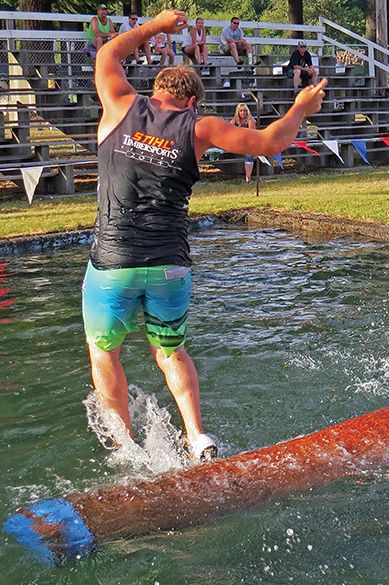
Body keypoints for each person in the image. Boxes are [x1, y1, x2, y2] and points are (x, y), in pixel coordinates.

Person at [83, 9, 326, 462]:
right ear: (193, 102)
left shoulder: (119, 105)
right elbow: (272, 142)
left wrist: (156, 25)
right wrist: (300, 108)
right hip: (171, 265)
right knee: (171, 351)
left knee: (105, 355)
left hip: (112, 264)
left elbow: (108, 54)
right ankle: (196, 435)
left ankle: (126, 448)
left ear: (154, 91)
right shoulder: (201, 128)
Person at [229, 103, 257, 182]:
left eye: (244, 111)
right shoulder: (235, 119)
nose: (243, 113)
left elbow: (252, 133)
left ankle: (248, 177)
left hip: (249, 142)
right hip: (237, 143)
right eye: (241, 111)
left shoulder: (250, 119)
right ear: (238, 112)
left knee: (249, 154)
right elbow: (228, 129)